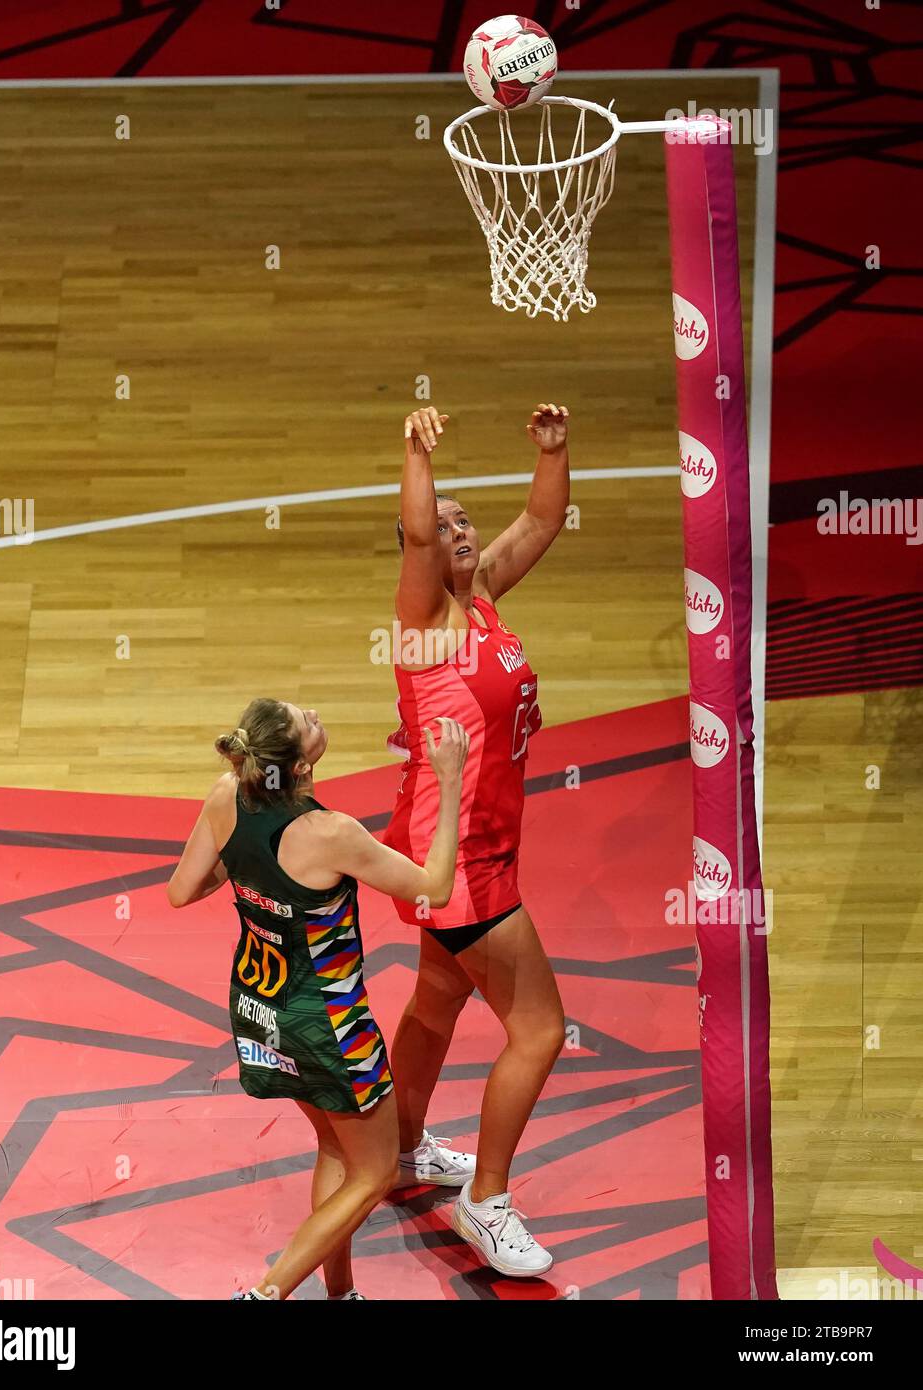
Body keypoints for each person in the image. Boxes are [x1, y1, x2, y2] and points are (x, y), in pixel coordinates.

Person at [167, 698, 470, 1300]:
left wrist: (251, 871)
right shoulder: (330, 834)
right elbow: (433, 886)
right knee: (378, 1170)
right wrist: (452, 780)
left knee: (336, 1144)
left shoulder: (225, 795)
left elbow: (182, 890)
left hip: (258, 1010)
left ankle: (341, 1293)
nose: (310, 711)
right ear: (300, 767)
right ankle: (265, 1293)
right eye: (303, 719)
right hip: (330, 1024)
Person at [384, 403, 570, 1277]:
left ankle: (400, 1147)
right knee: (537, 1028)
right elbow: (419, 541)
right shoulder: (425, 622)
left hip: (472, 841)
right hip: (460, 859)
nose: (457, 531)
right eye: (444, 522)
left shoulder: (482, 595)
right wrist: (416, 454)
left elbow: (540, 519)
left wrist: (551, 453)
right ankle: (485, 1201)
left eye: (465, 520)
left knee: (434, 1003)